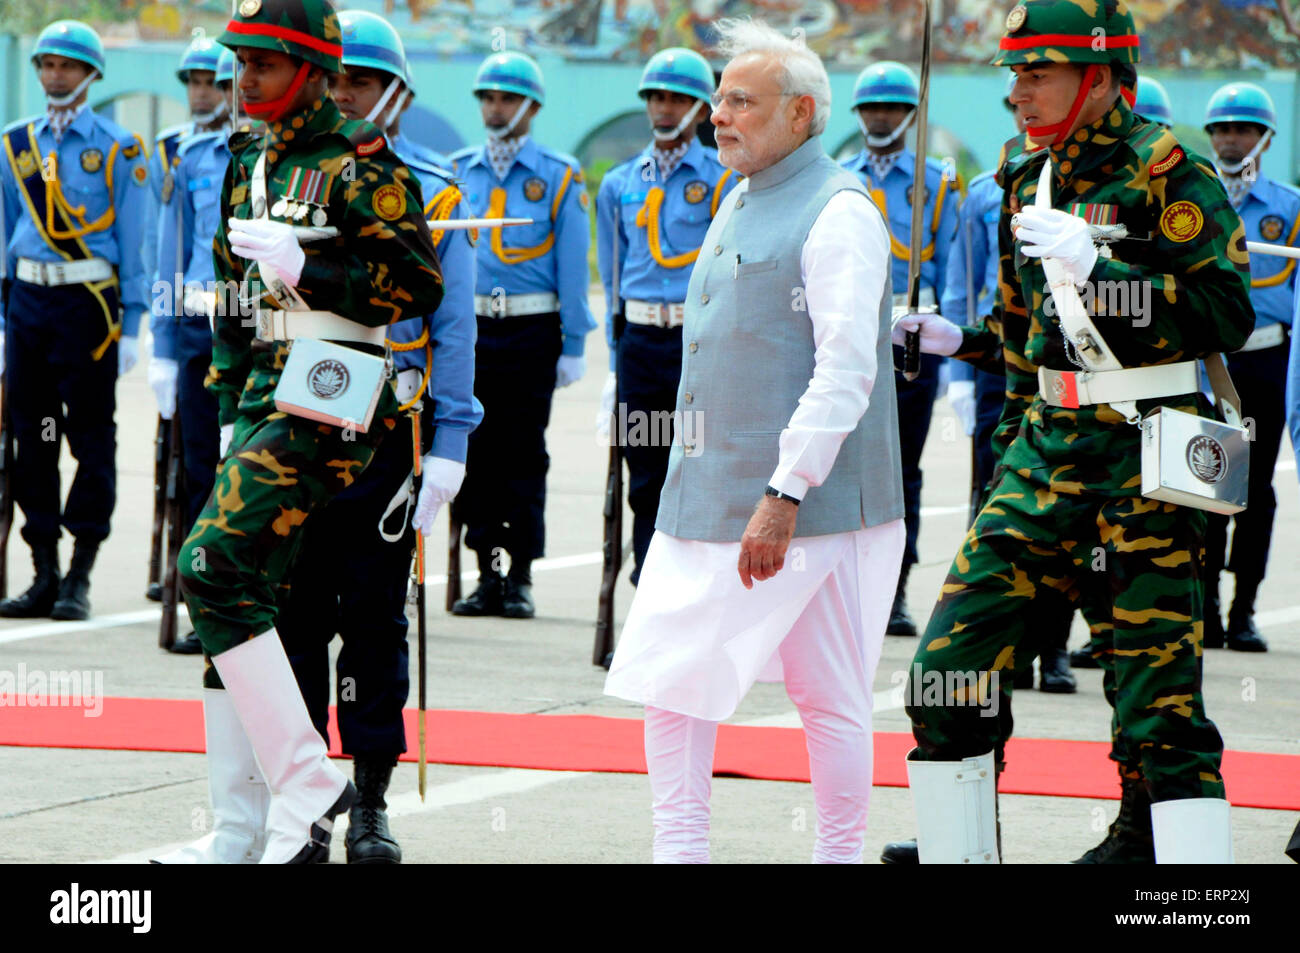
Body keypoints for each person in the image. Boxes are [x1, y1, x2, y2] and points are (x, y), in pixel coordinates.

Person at [894, 0, 1253, 864]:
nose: (1017, 91)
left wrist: (1105, 268)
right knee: (946, 667)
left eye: (1036, 72)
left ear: (1098, 77)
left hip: (1148, 454)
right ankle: (961, 851)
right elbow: (1029, 338)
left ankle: (1178, 884)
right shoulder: (1025, 173)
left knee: (1157, 702)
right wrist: (961, 341)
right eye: (1013, 73)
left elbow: (1224, 312)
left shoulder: (1169, 169)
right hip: (1043, 453)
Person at [604, 18, 904, 864]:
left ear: (803, 112)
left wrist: (785, 493)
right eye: (717, 98)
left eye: (741, 100)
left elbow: (846, 371)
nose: (718, 116)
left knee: (828, 693)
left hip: (809, 505)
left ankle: (839, 856)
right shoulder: (740, 194)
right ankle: (681, 849)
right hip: (703, 491)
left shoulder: (840, 212)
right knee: (671, 677)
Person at [159, 0, 444, 866]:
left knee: (207, 566)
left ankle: (314, 786)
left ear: (314, 72)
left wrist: (308, 267)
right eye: (239, 62)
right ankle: (245, 830)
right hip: (256, 392)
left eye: (266, 64)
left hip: (334, 385)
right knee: (247, 592)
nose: (245, 79)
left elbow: (416, 284)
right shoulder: (243, 156)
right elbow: (231, 302)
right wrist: (219, 408)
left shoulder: (360, 160)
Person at [274, 6, 480, 865]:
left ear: (394, 93)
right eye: (335, 79)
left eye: (361, 81)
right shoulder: (286, 181)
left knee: (371, 622)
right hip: (295, 423)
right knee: (292, 617)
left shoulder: (433, 194)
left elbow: (456, 326)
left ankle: (371, 803)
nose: (346, 95)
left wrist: (451, 442)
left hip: (388, 431)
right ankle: (304, 802)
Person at [0, 19, 149, 621]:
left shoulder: (119, 147)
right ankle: (44, 572)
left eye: (66, 65)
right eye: (45, 64)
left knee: (90, 438)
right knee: (31, 439)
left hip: (87, 309)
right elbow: (6, 230)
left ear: (91, 74)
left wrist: (134, 321)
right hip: (30, 307)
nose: (53, 75)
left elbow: (134, 242)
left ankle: (80, 573)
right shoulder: (15, 145)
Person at [448, 51, 595, 619]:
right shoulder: (459, 170)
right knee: (475, 452)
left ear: (531, 106)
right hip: (473, 328)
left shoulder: (559, 175)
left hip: (533, 330)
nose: (495, 108)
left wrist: (575, 342)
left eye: (507, 98)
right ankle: (487, 573)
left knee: (523, 453)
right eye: (487, 97)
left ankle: (522, 575)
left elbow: (573, 267)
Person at [595, 47, 737, 585]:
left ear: (702, 108)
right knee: (646, 467)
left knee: (699, 466)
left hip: (697, 342)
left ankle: (694, 582)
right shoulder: (620, 181)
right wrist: (614, 365)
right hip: (640, 345)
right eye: (656, 96)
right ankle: (647, 580)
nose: (664, 107)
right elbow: (611, 283)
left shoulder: (723, 181)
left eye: (678, 98)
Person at [840, 59, 959, 637]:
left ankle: (894, 590)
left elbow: (955, 270)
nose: (879, 117)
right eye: (869, 107)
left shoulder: (937, 183)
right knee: (838, 464)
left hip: (910, 341)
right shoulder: (838, 178)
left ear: (911, 114)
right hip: (850, 337)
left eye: (890, 107)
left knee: (900, 469)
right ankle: (840, 586)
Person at [1199, 82, 1298, 654]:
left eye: (1241, 129)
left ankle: (1244, 612)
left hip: (1267, 360)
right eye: (1220, 129)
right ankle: (1206, 607)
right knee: (1209, 485)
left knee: (1255, 490)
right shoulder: (1196, 199)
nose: (1230, 139)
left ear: (1265, 137)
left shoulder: (1289, 207)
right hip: (1210, 361)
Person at [148, 47, 240, 656]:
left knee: (253, 473)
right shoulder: (189, 157)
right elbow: (168, 251)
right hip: (197, 327)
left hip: (259, 325)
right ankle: (206, 605)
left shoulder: (273, 157)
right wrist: (161, 341)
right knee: (203, 471)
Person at [142, 36, 227, 302]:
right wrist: (160, 300)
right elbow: (155, 233)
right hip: (188, 296)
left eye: (211, 83)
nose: (200, 93)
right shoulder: (169, 148)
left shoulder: (242, 147)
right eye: (194, 82)